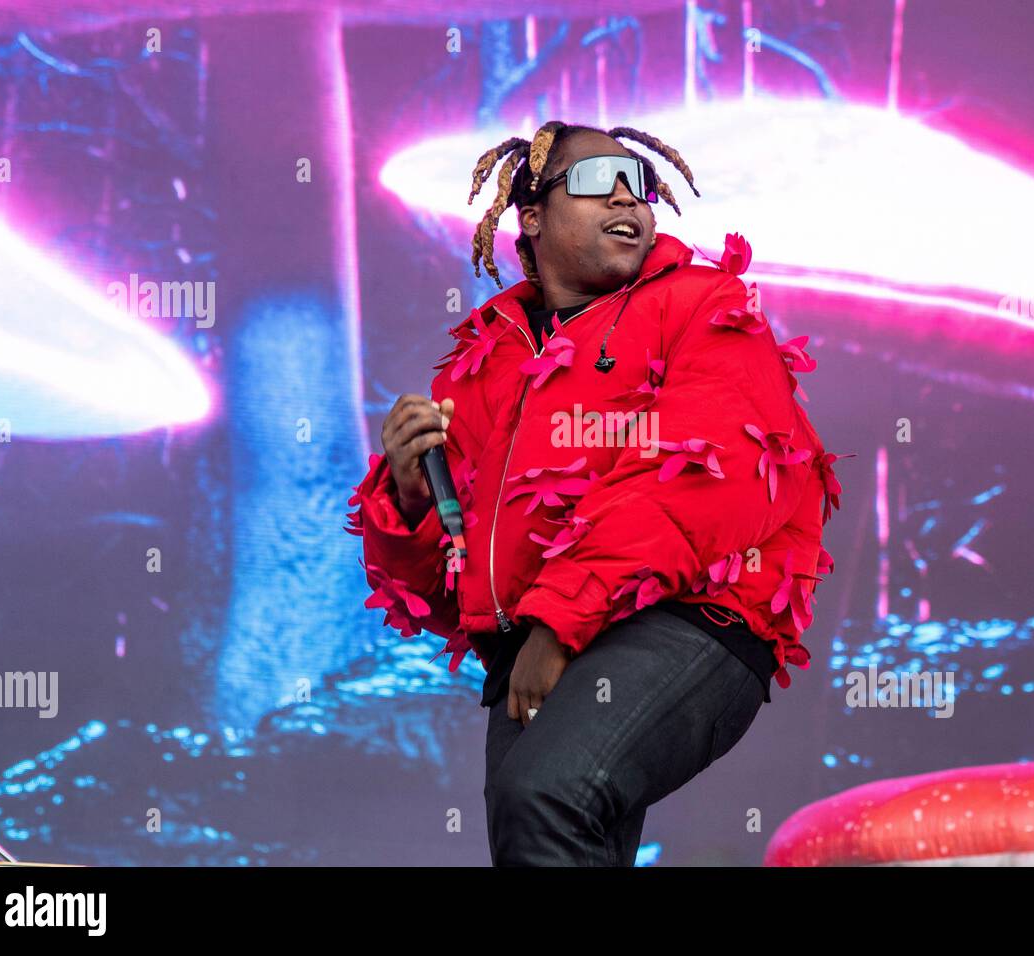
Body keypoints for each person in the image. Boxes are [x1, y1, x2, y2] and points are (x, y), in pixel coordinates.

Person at [346, 120, 845, 866]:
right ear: (533, 216)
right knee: (547, 837)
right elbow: (452, 588)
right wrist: (412, 500)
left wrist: (557, 623)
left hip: (684, 618)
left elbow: (707, 476)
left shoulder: (703, 306)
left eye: (638, 182)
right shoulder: (483, 362)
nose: (624, 193)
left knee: (545, 795)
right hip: (536, 647)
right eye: (591, 180)